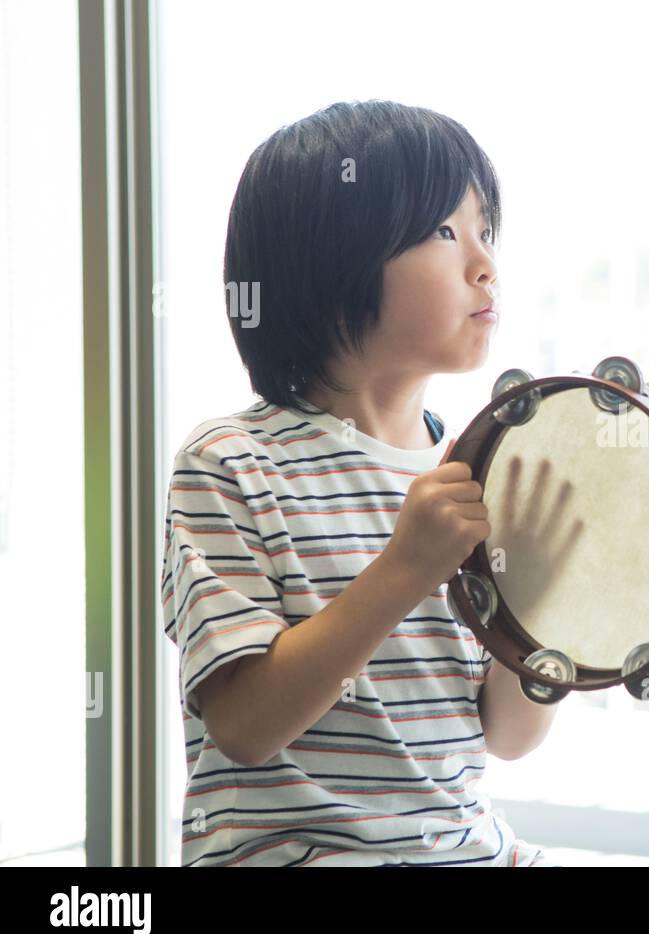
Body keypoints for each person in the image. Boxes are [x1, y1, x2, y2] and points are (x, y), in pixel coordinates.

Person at [161, 99, 561, 866]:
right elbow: (246, 725)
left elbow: (509, 738)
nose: (485, 263)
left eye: (486, 231)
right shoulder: (230, 463)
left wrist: (545, 609)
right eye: (446, 232)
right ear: (329, 263)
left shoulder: (482, 469)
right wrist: (407, 567)